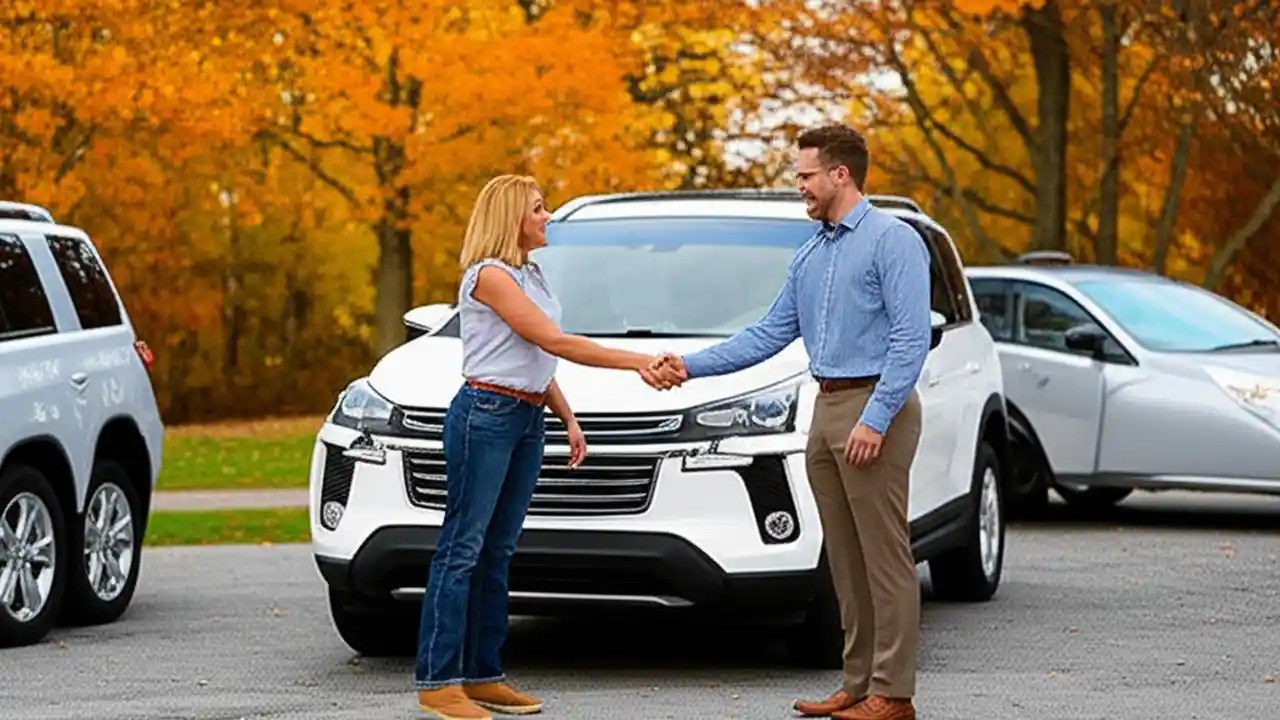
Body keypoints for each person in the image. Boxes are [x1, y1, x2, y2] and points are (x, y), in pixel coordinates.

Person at [650, 124, 931, 720]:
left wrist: (876, 419)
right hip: (825, 409)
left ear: (840, 174)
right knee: (845, 562)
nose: (799, 185)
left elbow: (910, 342)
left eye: (805, 175)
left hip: (875, 407)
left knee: (885, 558)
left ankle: (894, 694)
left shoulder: (893, 241)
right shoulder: (812, 253)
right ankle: (856, 685)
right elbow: (770, 334)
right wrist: (688, 368)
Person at [415, 174, 675, 720]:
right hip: (485, 417)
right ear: (512, 217)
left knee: (498, 551)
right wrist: (638, 364)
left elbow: (534, 358)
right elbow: (553, 341)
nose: (548, 215)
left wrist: (567, 417)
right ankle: (439, 682)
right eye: (538, 208)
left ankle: (484, 676)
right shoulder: (489, 276)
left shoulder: (530, 274)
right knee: (462, 548)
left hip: (526, 415)